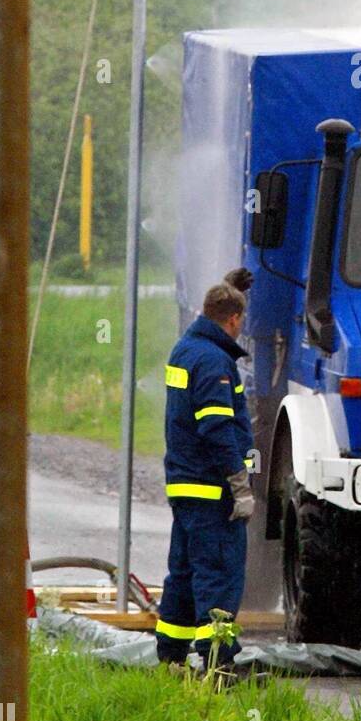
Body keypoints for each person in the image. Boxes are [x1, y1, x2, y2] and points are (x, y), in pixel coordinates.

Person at [156, 281, 255, 673]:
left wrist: (227, 287)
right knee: (219, 572)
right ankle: (219, 665)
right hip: (212, 487)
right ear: (233, 320)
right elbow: (216, 426)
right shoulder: (215, 362)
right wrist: (238, 481)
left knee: (183, 572)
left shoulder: (186, 348)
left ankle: (171, 658)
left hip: (184, 484)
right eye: (239, 320)